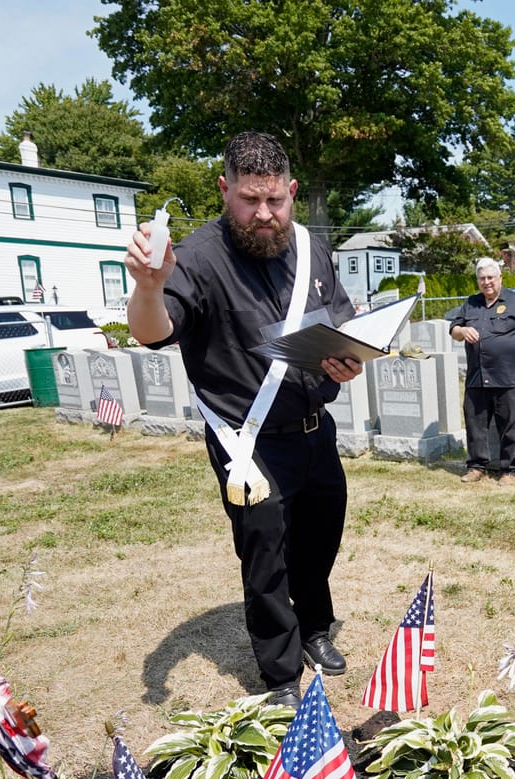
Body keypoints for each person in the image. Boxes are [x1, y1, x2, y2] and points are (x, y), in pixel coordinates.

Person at [123, 131, 363, 708]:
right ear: (224, 189)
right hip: (247, 442)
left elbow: (343, 318)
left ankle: (315, 630)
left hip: (314, 429)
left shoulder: (309, 247)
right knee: (265, 556)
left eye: (275, 201)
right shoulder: (198, 257)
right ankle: (280, 673)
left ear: (292, 192)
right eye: (249, 200)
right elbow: (151, 331)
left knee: (318, 540)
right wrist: (148, 288)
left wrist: (350, 358)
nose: (264, 214)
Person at [451, 258, 515, 486]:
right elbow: (453, 330)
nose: (486, 282)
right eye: (482, 278)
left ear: (500, 278)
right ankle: (476, 467)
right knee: (475, 425)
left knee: (509, 426)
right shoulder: (470, 303)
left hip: (508, 377)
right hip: (477, 376)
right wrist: (462, 330)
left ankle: (509, 470)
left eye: (491, 277)